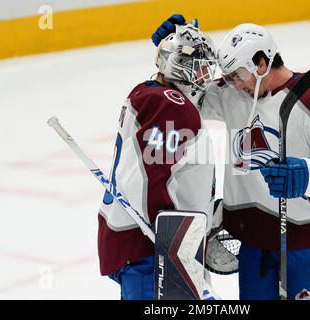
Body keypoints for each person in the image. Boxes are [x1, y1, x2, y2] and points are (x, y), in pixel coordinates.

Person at [152, 16, 310, 300]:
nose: (235, 85)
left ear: (261, 63)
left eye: (238, 75)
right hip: (254, 249)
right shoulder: (230, 95)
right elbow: (178, 102)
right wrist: (173, 57)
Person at [97, 23, 219, 300]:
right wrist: (177, 255)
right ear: (178, 67)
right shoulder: (171, 107)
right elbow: (149, 180)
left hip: (143, 247)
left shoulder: (150, 91)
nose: (205, 75)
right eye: (198, 67)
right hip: (153, 252)